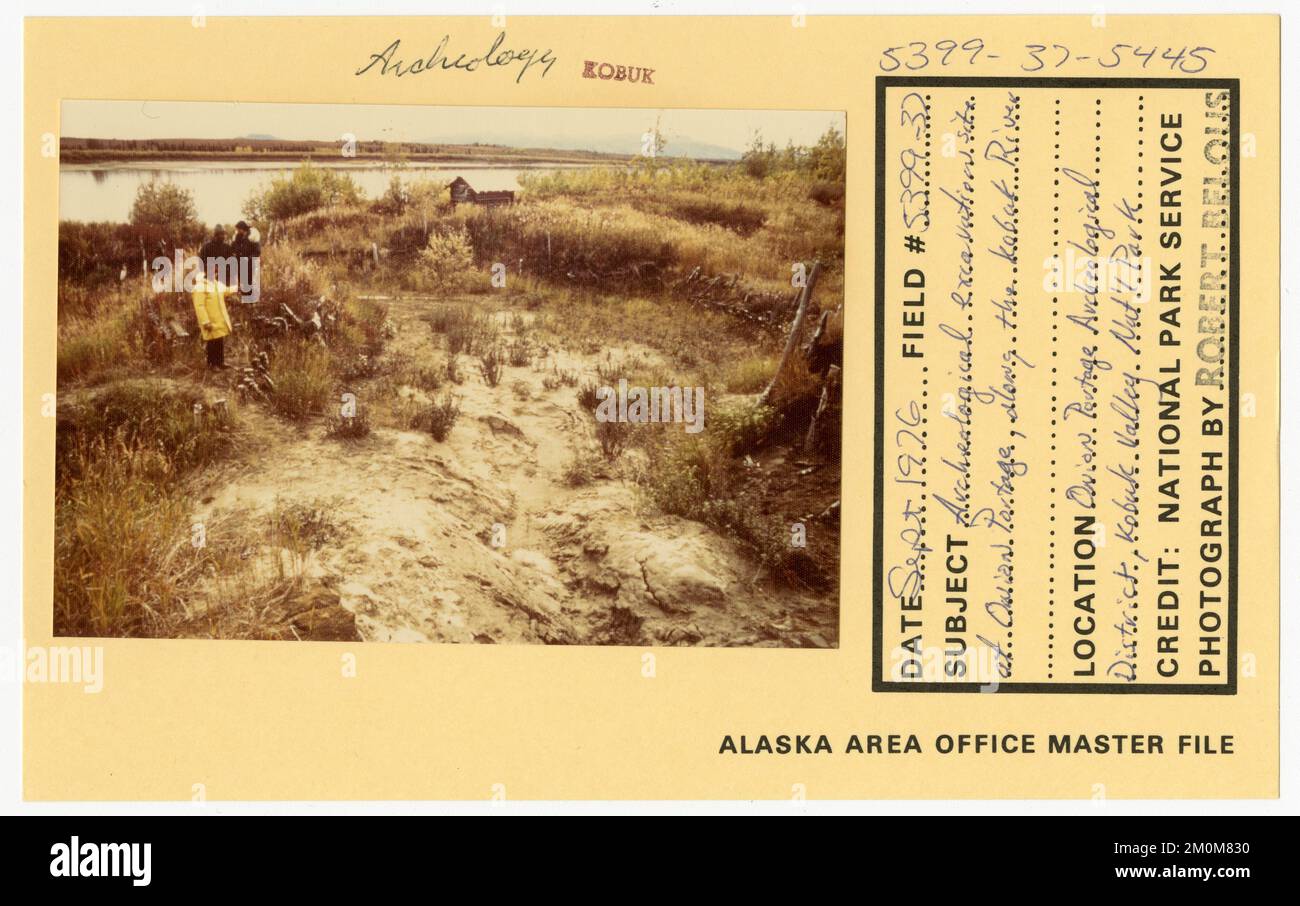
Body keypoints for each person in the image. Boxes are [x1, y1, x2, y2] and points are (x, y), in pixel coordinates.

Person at [190, 271, 237, 369]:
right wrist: (205, 321)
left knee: (219, 340)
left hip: (218, 319)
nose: (214, 274)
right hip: (209, 320)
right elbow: (199, 306)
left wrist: (236, 287)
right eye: (212, 272)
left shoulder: (216, 284)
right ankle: (212, 364)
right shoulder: (200, 287)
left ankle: (220, 362)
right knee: (212, 341)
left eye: (215, 272)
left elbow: (226, 291)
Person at [230, 220, 262, 303]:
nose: (237, 231)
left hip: (249, 264)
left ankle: (251, 301)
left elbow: (257, 252)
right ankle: (245, 300)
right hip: (240, 263)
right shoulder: (238, 237)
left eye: (239, 229)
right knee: (243, 282)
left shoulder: (251, 237)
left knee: (249, 281)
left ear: (242, 228)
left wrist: (249, 259)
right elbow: (233, 248)